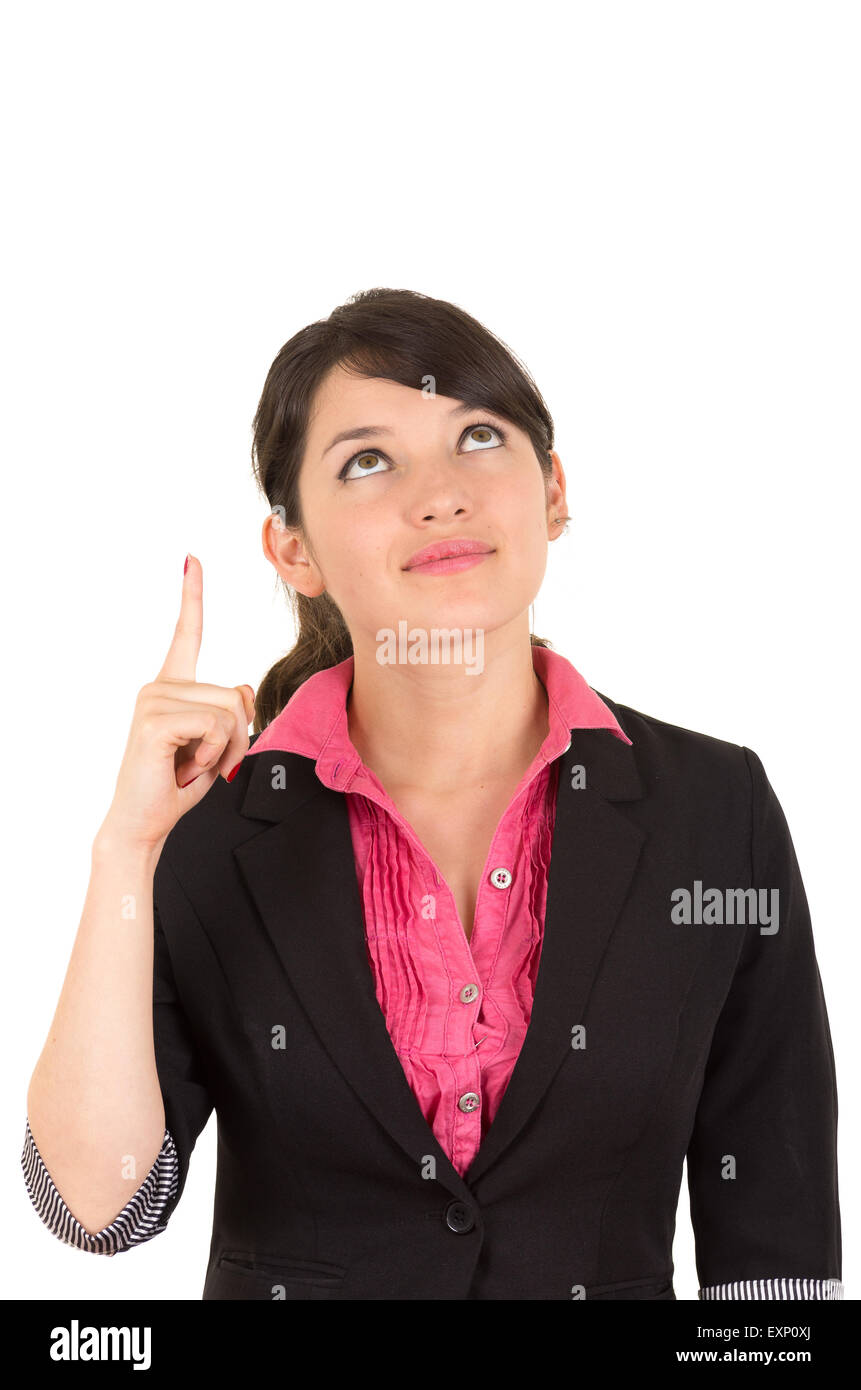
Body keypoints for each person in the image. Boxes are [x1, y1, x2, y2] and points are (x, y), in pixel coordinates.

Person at [22, 288, 843, 1300]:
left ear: (553, 491)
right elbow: (95, 1208)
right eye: (368, 460)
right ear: (294, 550)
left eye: (480, 437)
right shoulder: (212, 820)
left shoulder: (716, 807)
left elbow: (776, 1229)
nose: (442, 494)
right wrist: (127, 847)